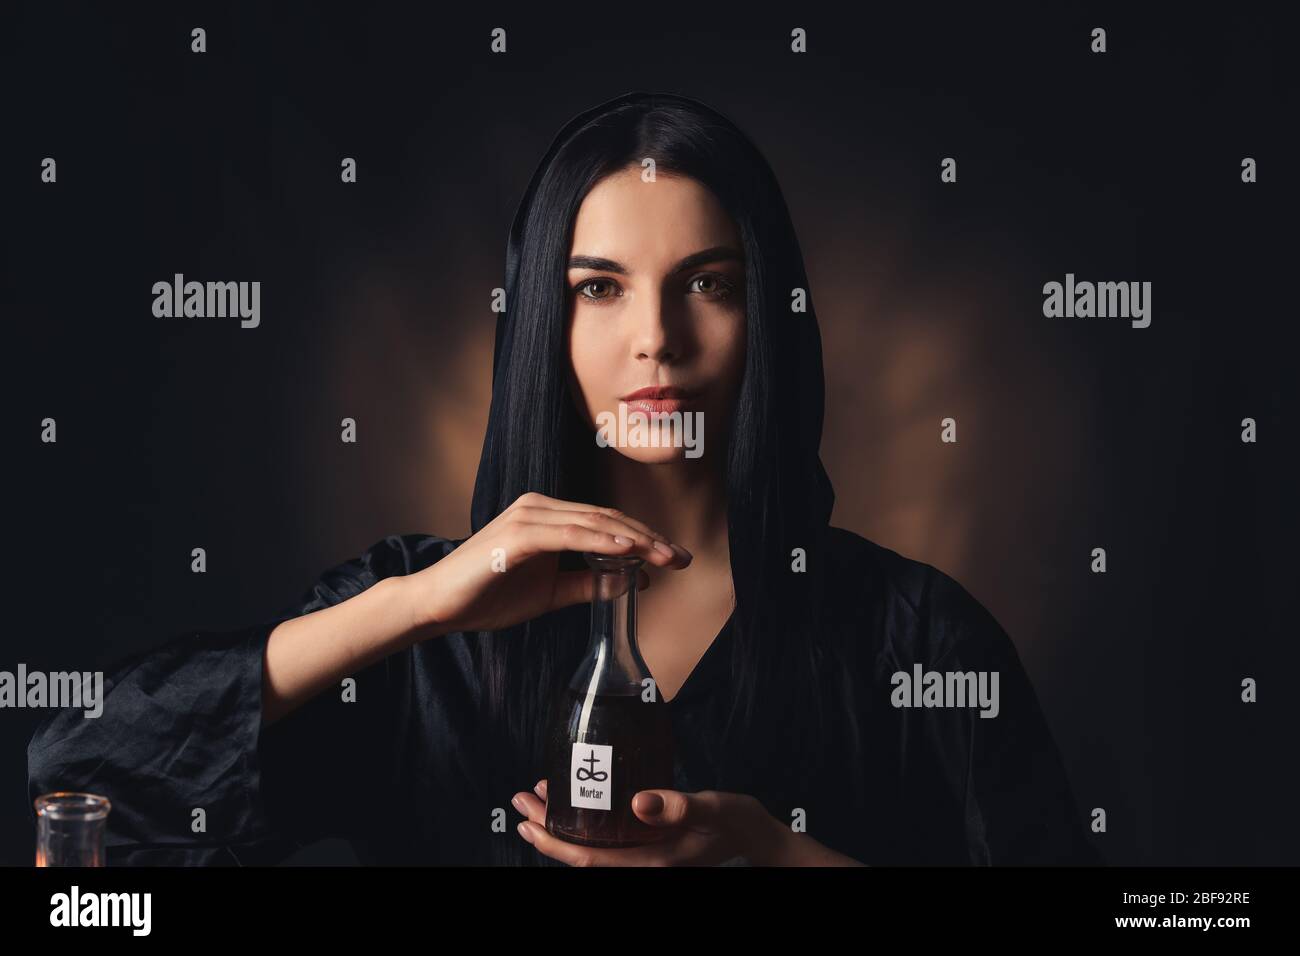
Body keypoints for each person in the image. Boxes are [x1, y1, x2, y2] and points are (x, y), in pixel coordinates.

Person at [27, 91, 1101, 867]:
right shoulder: (420, 635)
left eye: (709, 284)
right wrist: (411, 604)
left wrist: (778, 861)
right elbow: (86, 766)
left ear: (767, 316)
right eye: (598, 288)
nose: (656, 339)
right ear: (545, 320)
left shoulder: (914, 639)